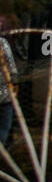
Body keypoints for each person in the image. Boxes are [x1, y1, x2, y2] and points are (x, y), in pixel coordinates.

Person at [0, 13, 15, 147]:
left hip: (5, 93)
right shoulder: (3, 43)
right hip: (5, 94)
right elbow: (12, 68)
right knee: (4, 128)